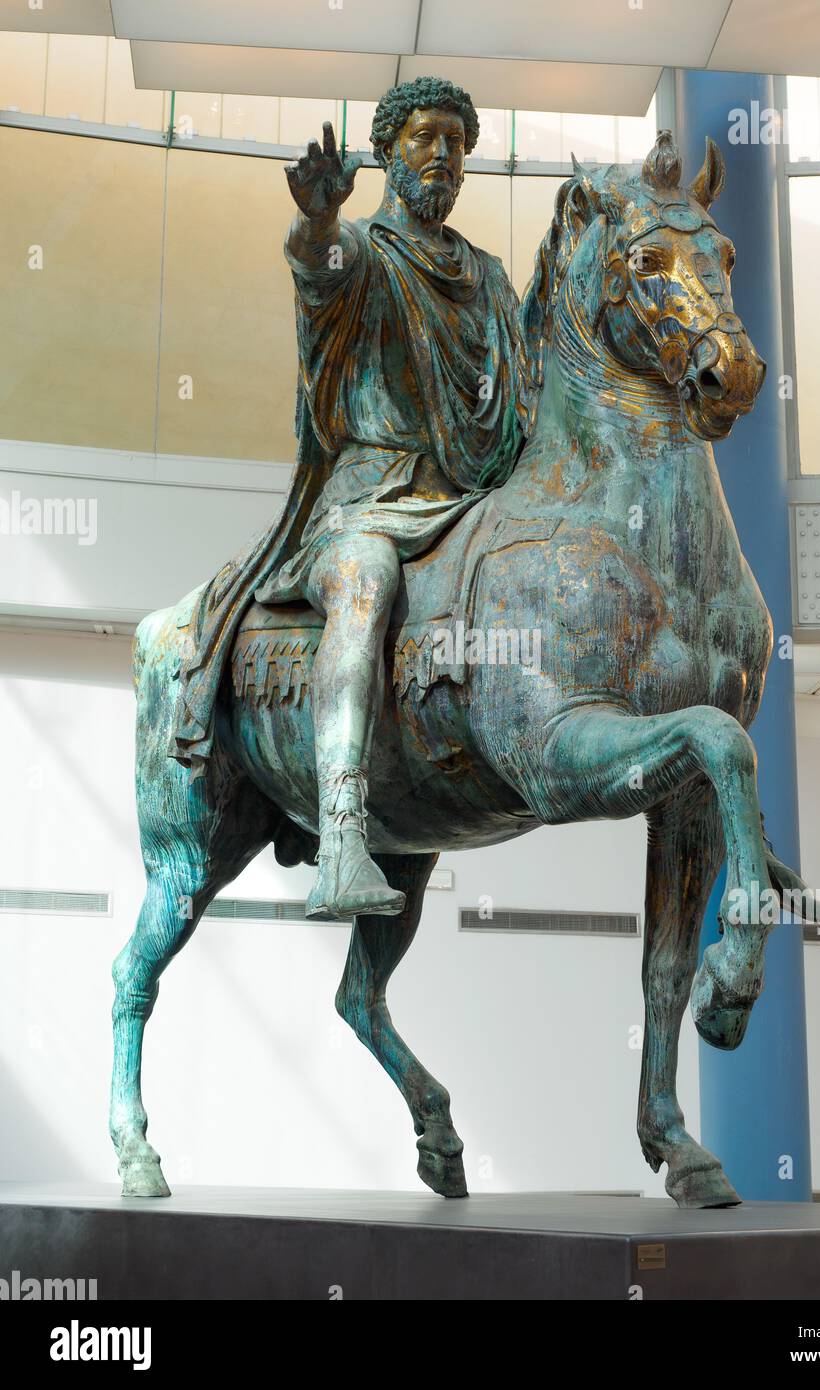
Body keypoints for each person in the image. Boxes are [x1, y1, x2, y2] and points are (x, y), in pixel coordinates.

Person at [169, 78, 530, 921]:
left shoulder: (485, 276)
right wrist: (319, 220)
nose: (442, 154)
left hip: (467, 503)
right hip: (366, 504)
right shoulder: (363, 252)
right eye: (423, 137)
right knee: (364, 588)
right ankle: (339, 826)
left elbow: (528, 396)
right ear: (386, 152)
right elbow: (317, 270)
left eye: (456, 141)